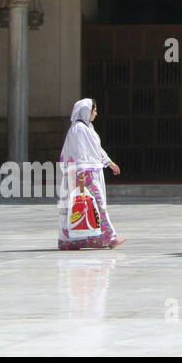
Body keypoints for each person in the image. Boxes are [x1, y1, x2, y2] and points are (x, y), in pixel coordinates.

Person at [58, 99, 125, 250]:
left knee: (90, 207)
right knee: (97, 204)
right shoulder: (78, 129)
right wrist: (81, 174)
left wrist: (110, 163)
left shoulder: (88, 128)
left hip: (92, 171)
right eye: (94, 110)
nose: (96, 113)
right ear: (86, 111)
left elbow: (96, 149)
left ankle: (82, 240)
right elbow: (79, 153)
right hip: (85, 174)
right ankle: (110, 237)